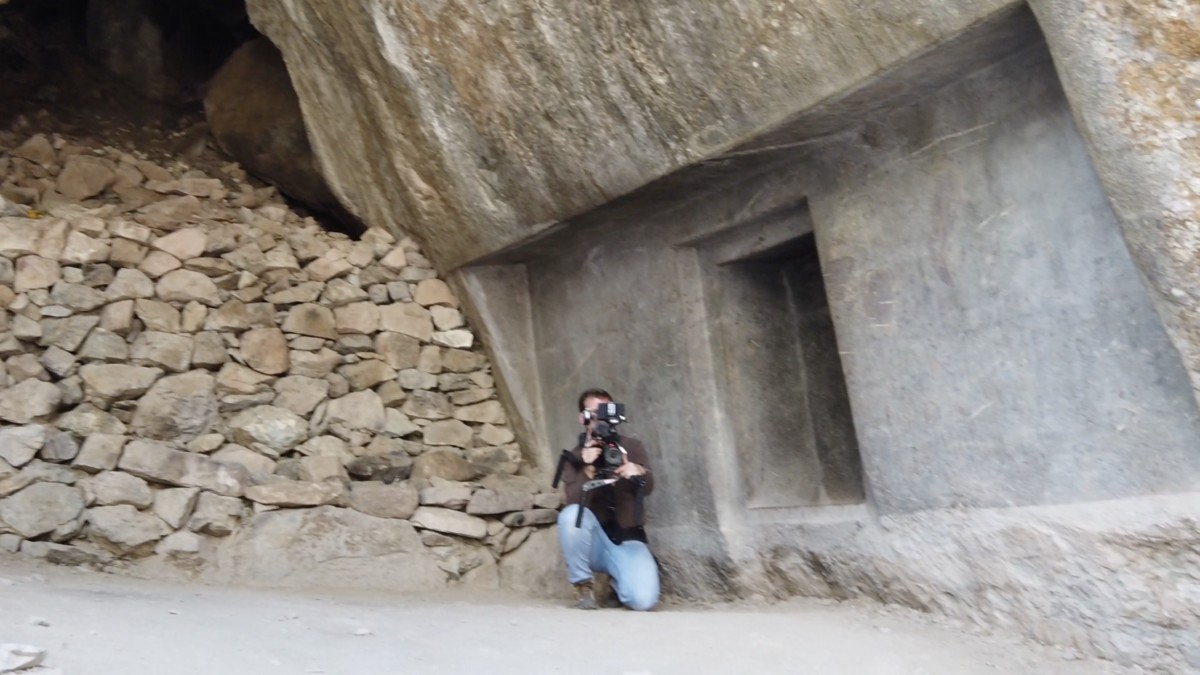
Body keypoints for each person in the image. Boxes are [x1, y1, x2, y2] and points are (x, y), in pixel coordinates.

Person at [557, 388, 661, 611]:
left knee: (643, 600)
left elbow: (650, 488)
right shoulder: (574, 456)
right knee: (570, 517)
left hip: (628, 538)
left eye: (605, 413)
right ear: (582, 418)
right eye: (593, 413)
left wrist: (638, 472)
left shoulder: (631, 447)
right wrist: (585, 468)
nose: (599, 419)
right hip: (593, 543)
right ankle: (583, 588)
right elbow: (574, 504)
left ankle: (619, 582)